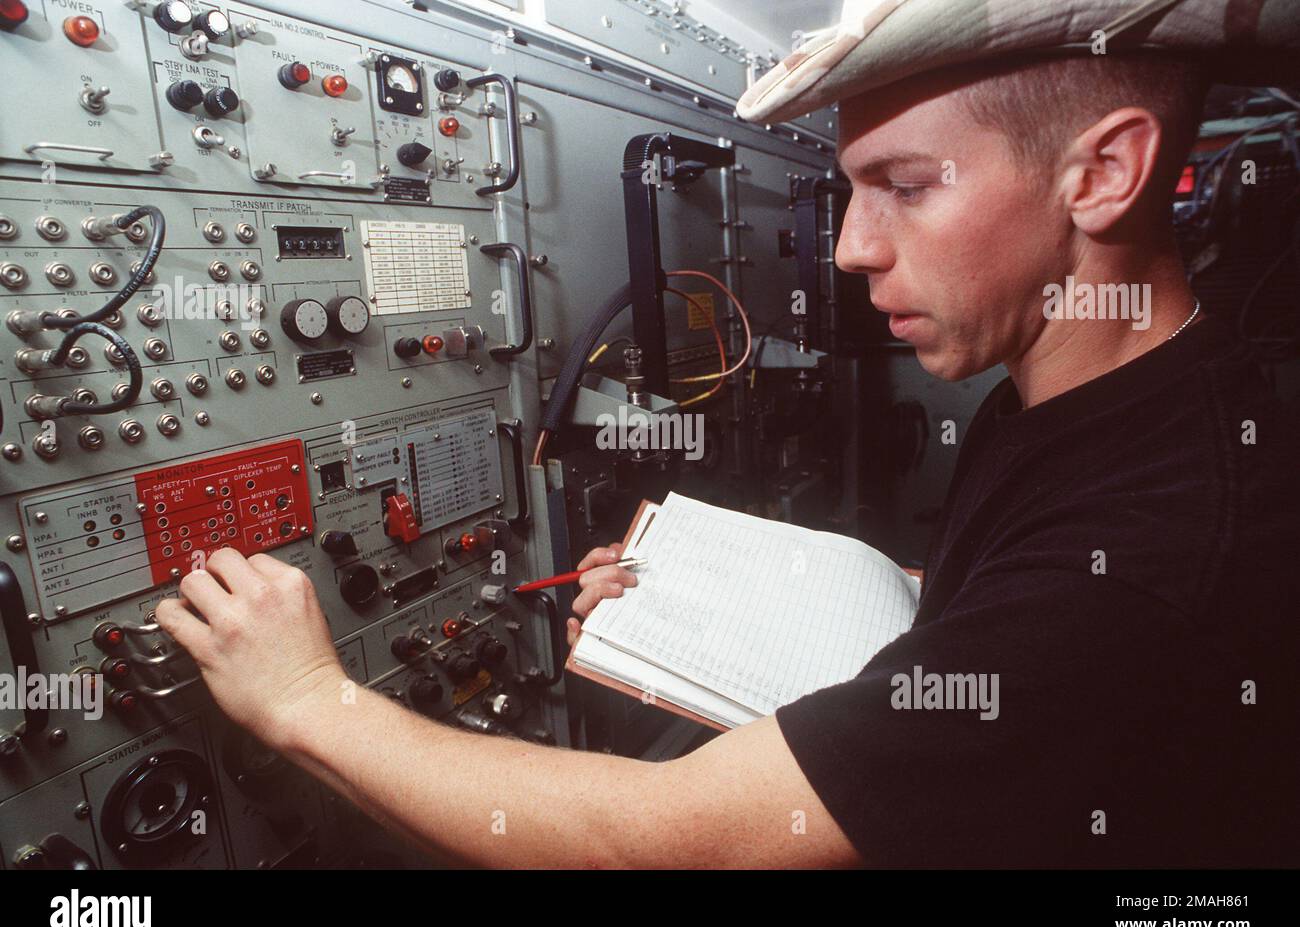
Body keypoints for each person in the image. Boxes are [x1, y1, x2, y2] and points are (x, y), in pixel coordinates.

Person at [157, 5, 1300, 867]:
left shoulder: (1155, 550)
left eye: (902, 186)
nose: (853, 248)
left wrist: (307, 697)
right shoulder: (1090, 398)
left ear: (1102, 172)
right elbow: (1006, 592)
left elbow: (665, 841)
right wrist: (713, 598)